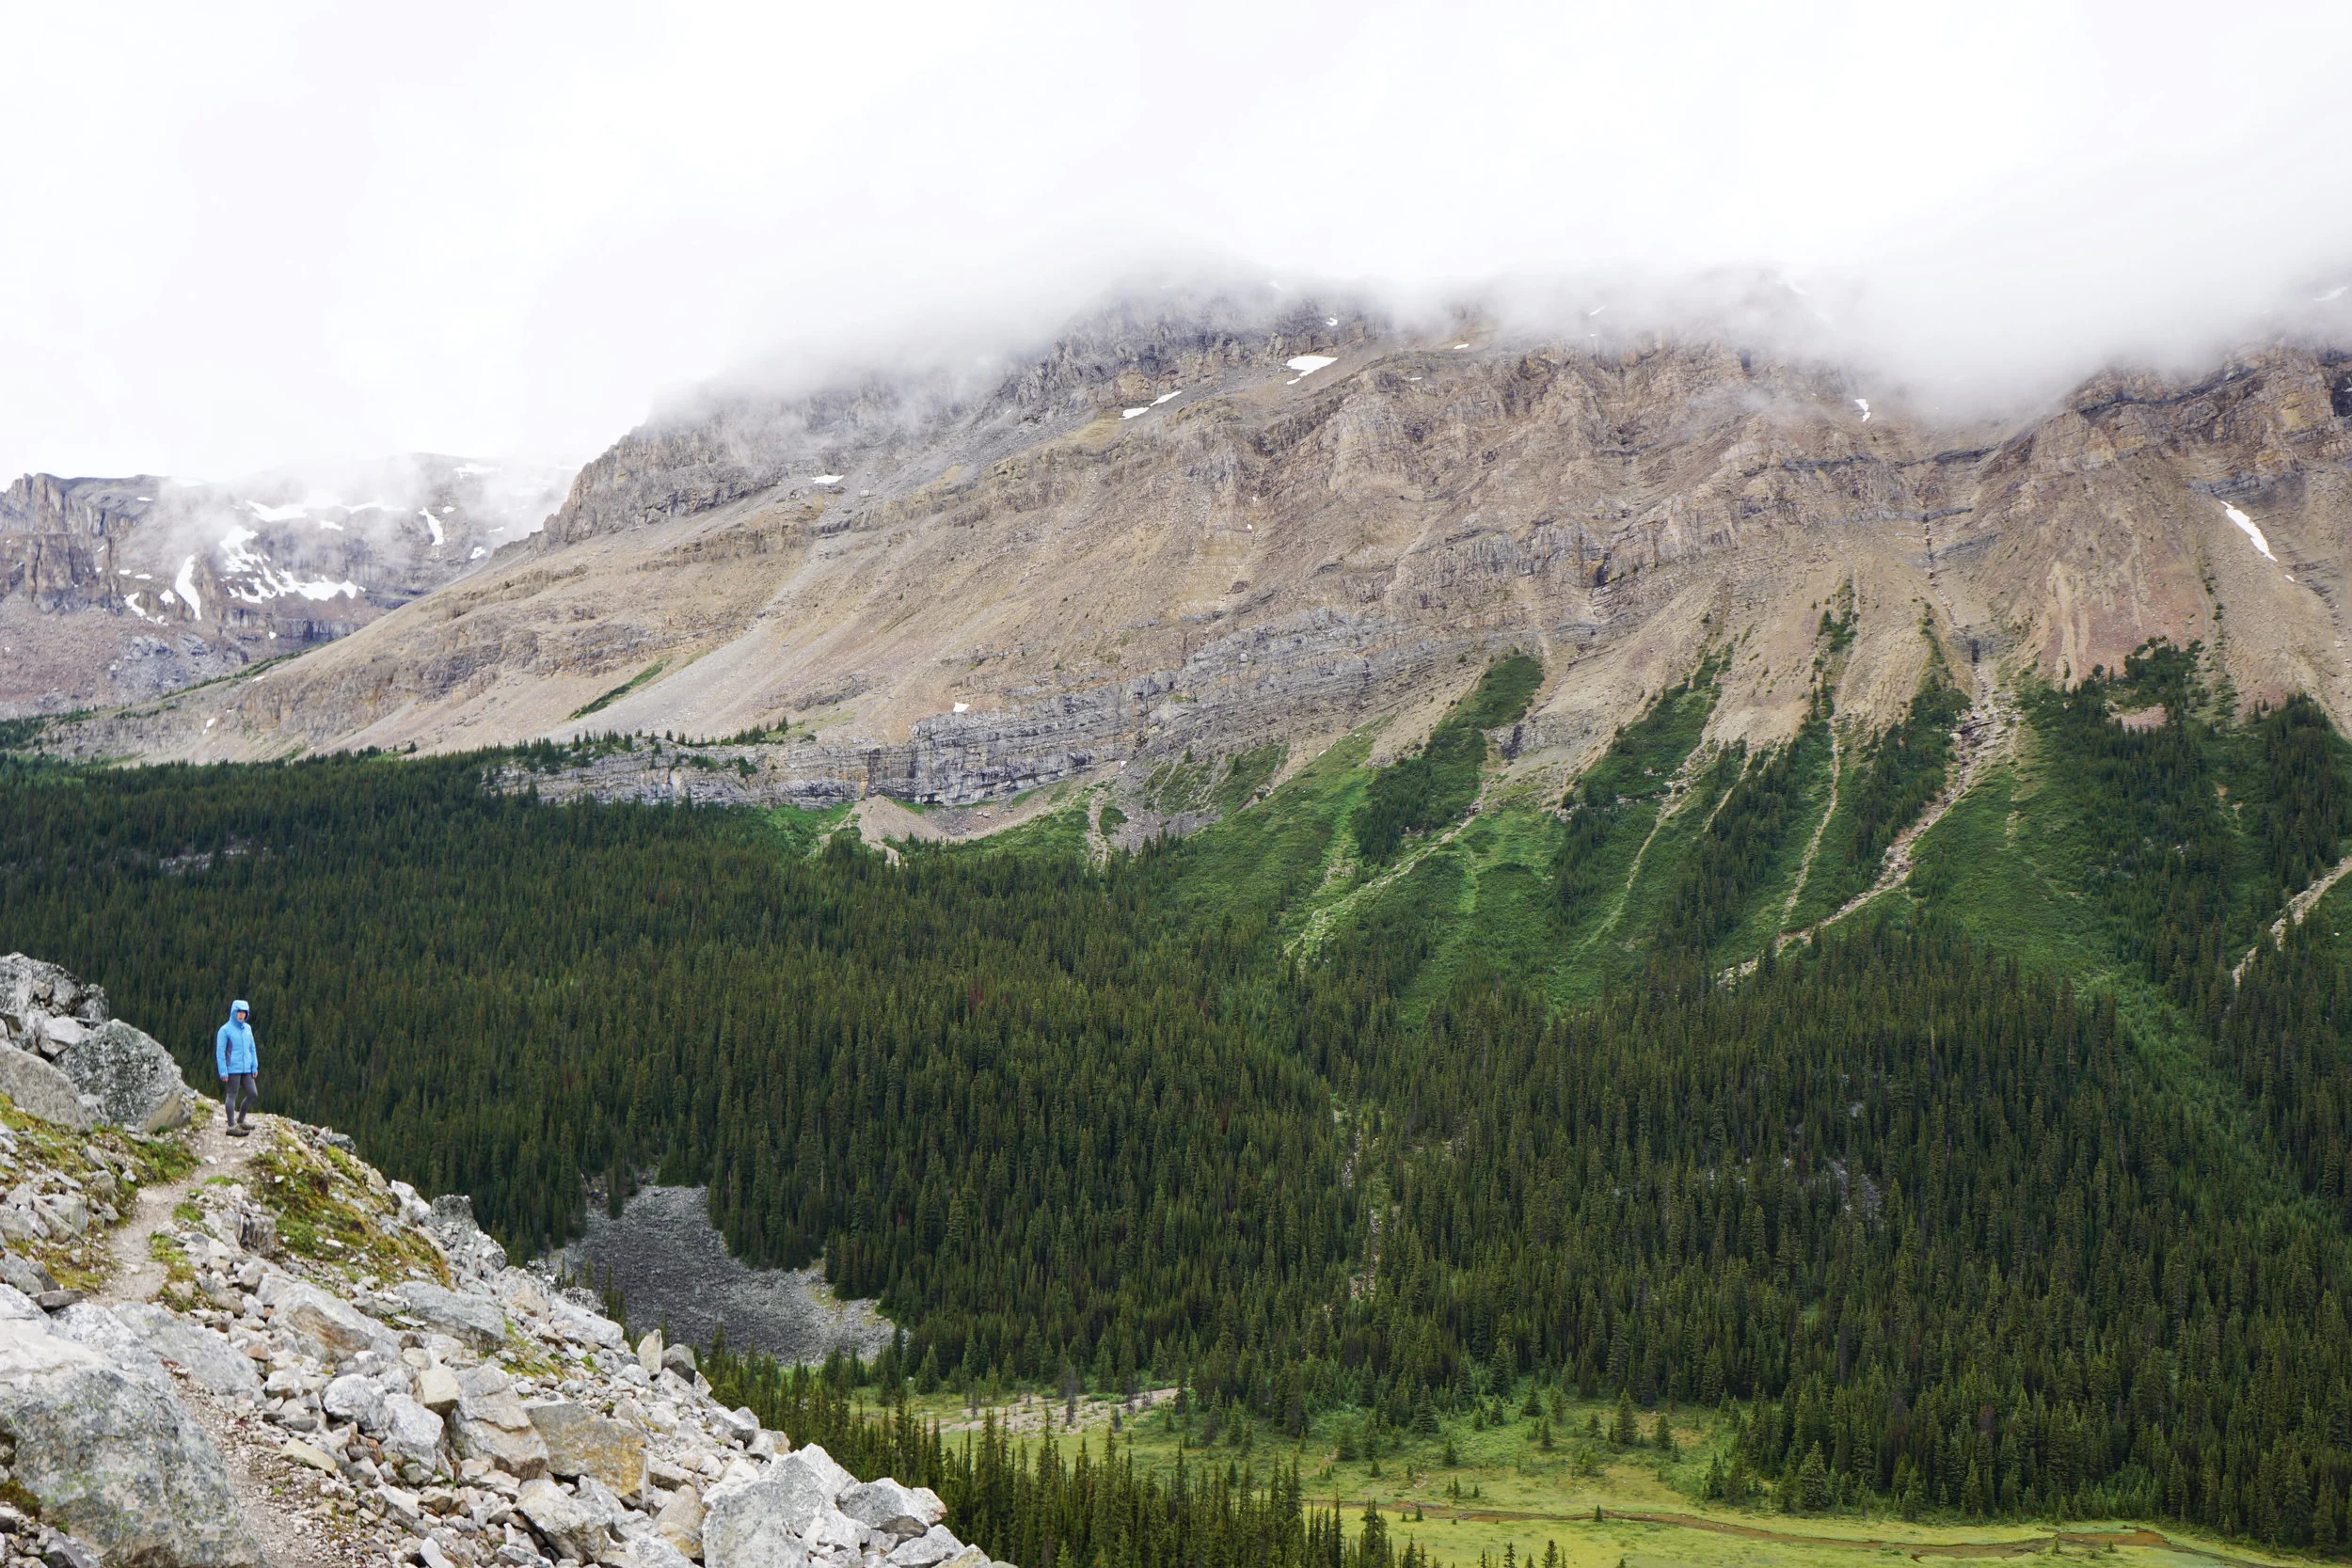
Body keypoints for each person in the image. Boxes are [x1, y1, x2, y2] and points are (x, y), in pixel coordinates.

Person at [216, 998, 259, 1136]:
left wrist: (254, 1066)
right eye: (239, 1012)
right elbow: (220, 1052)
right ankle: (231, 1126)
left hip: (246, 1068)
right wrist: (223, 1071)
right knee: (232, 1096)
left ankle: (241, 1120)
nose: (241, 1015)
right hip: (232, 1069)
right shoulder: (225, 1030)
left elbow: (252, 1048)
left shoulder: (248, 1029)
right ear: (234, 1013)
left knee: (253, 1093)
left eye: (244, 1013)